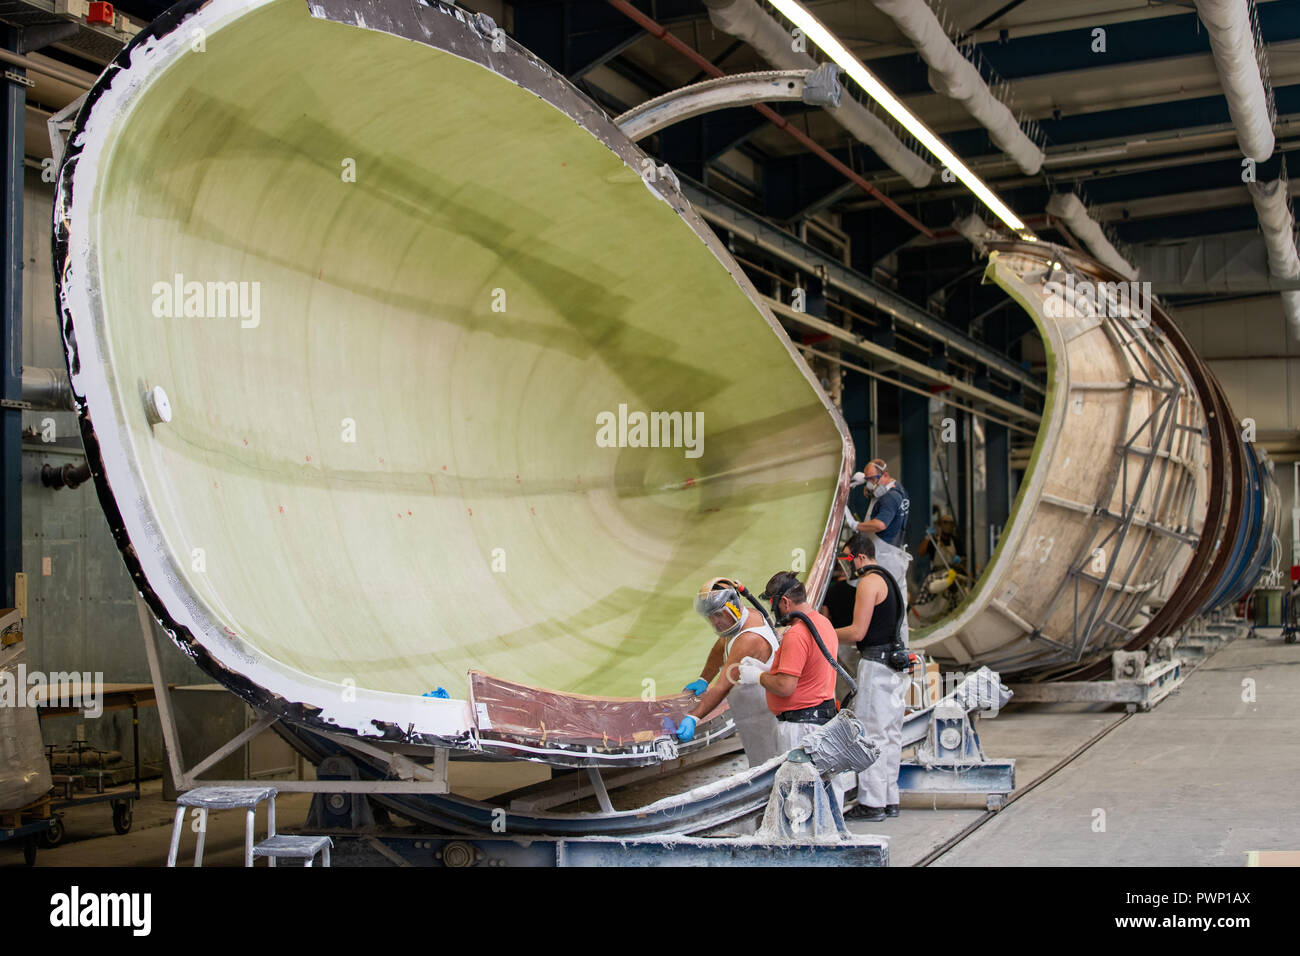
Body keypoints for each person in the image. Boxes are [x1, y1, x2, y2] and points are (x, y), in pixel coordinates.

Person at [735, 571, 846, 809]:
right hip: (822, 722)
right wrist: (767, 669)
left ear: (785, 602)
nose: (774, 612)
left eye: (774, 605)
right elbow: (808, 670)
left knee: (798, 801)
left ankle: (802, 845)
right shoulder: (823, 624)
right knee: (822, 797)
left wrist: (759, 676)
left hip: (800, 729)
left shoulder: (797, 634)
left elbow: (786, 686)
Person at [834, 532, 906, 822]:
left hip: (875, 666)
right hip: (894, 667)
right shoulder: (889, 579)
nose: (846, 567)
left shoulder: (868, 583)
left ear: (860, 557)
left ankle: (872, 803)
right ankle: (889, 799)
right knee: (890, 735)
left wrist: (823, 632)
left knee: (871, 735)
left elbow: (857, 632)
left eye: (846, 559)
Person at [674, 578, 780, 767]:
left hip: (765, 716)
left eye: (717, 615)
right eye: (710, 617)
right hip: (750, 711)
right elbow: (722, 644)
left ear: (734, 606)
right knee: (758, 762)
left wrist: (694, 717)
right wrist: (703, 679)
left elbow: (723, 685)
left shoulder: (749, 639)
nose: (714, 622)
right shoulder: (741, 619)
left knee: (770, 766)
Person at [855, 458, 912, 646]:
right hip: (895, 556)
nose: (871, 484)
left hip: (887, 559)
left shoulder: (890, 498)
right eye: (868, 479)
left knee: (888, 606)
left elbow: (880, 524)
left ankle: (893, 648)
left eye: (873, 479)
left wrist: (856, 525)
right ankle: (900, 648)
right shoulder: (899, 491)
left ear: (885, 475)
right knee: (898, 605)